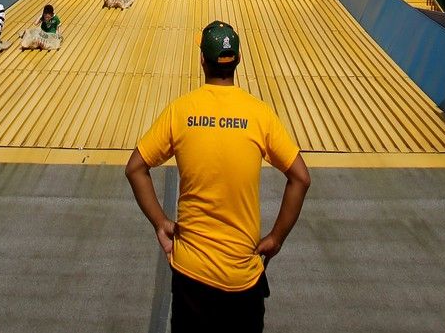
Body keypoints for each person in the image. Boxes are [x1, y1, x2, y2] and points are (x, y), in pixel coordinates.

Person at [125, 21, 310, 331]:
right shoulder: (259, 113)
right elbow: (301, 178)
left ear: (202, 60)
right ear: (237, 60)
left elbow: (135, 168)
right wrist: (276, 238)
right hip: (243, 278)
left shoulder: (181, 111)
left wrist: (161, 223)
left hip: (191, 276)